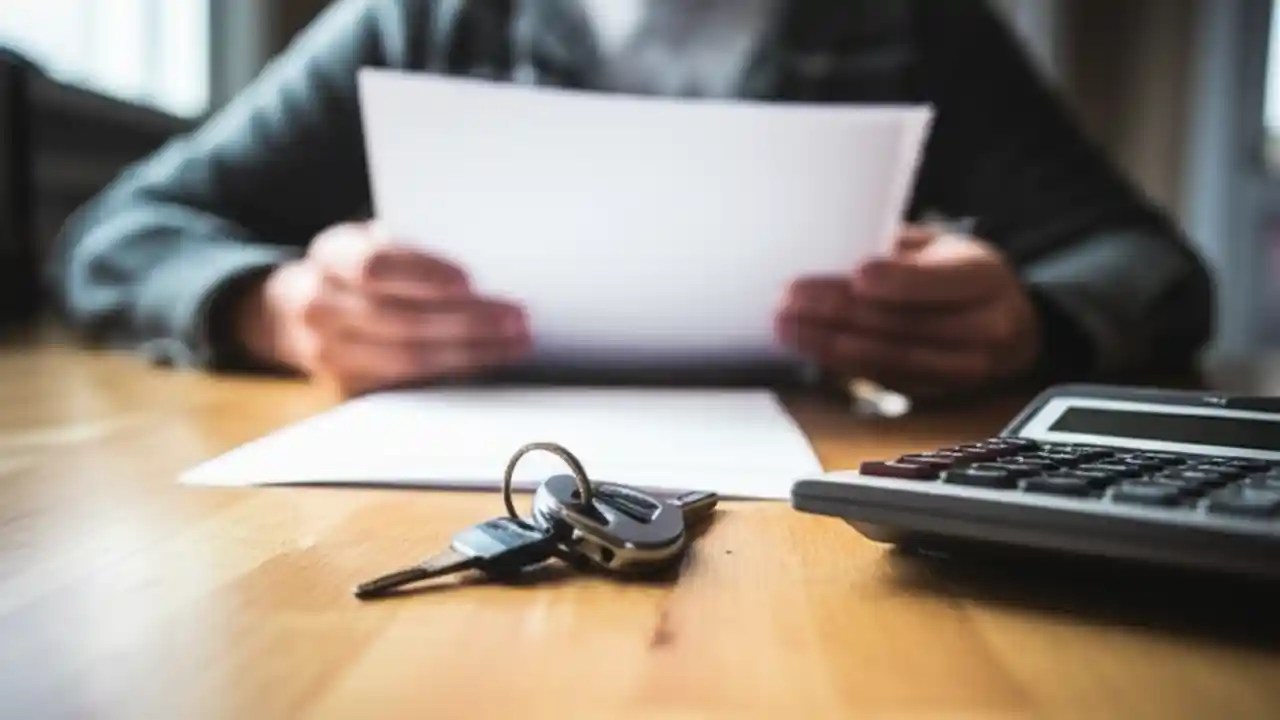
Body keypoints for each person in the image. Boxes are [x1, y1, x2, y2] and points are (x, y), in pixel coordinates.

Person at [50, 0, 1213, 398]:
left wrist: (1027, 323)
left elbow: (1144, 266)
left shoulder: (916, 23)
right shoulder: (425, 16)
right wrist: (274, 304)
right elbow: (119, 233)